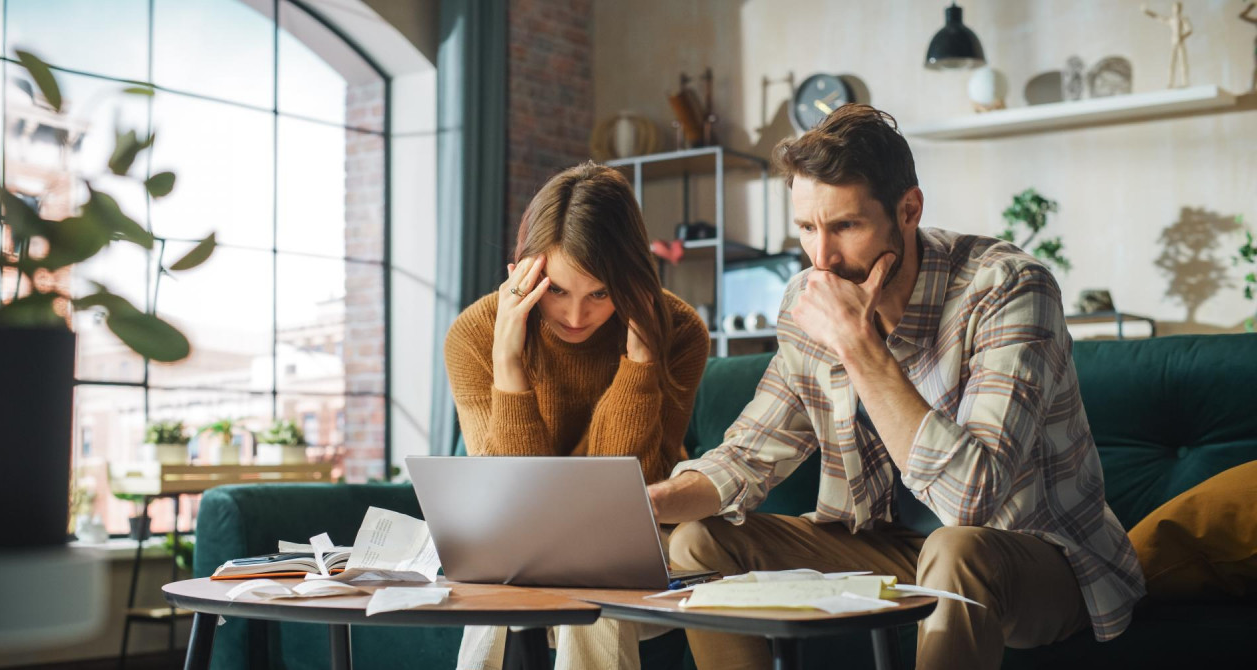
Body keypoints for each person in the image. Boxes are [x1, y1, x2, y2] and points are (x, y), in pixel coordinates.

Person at [647, 104, 1146, 670]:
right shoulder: (808, 301)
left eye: (846, 226)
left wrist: (859, 347)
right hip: (888, 549)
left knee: (954, 550)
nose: (822, 259)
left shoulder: (1007, 288)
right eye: (807, 228)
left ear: (909, 209)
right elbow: (747, 457)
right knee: (697, 542)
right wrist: (647, 505)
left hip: (1035, 557)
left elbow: (969, 503)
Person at [445, 161, 710, 670]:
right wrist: (508, 363)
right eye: (557, 291)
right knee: (500, 566)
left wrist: (640, 364)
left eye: (600, 294)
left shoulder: (678, 330)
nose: (574, 317)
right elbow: (510, 493)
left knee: (600, 554)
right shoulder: (473, 336)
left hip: (639, 530)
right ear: (522, 276)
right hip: (520, 536)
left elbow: (626, 489)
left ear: (631, 281)